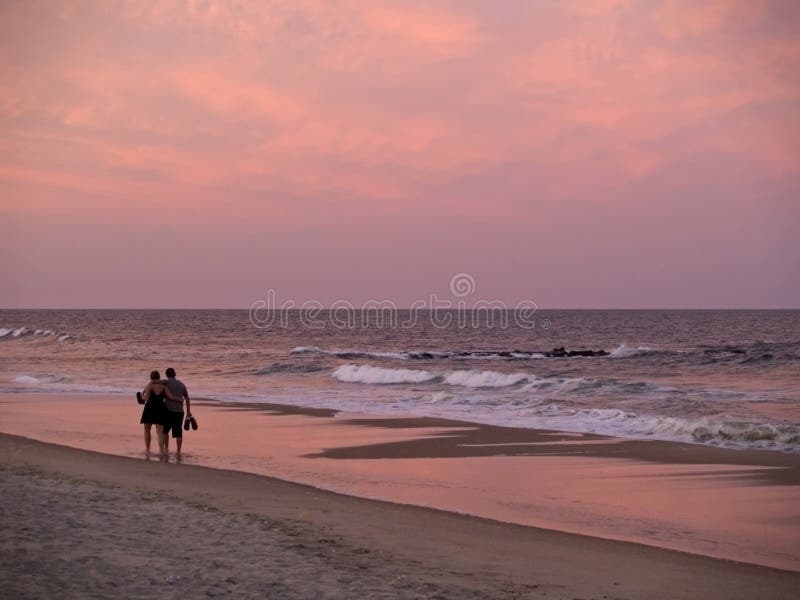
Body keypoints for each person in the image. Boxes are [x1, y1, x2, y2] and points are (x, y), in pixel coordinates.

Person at [139, 370, 180, 456]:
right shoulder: (164, 386)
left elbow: (145, 398)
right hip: (161, 408)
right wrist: (179, 399)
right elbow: (171, 396)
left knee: (147, 430)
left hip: (150, 408)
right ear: (159, 377)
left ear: (151, 377)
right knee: (160, 432)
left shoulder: (150, 385)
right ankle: (161, 451)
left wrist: (141, 396)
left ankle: (147, 450)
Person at [163, 367, 193, 458]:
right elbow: (187, 398)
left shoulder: (165, 383)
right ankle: (178, 451)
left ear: (166, 375)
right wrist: (188, 411)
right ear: (175, 374)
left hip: (168, 410)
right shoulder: (181, 384)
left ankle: (166, 449)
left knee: (165, 431)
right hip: (179, 411)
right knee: (178, 432)